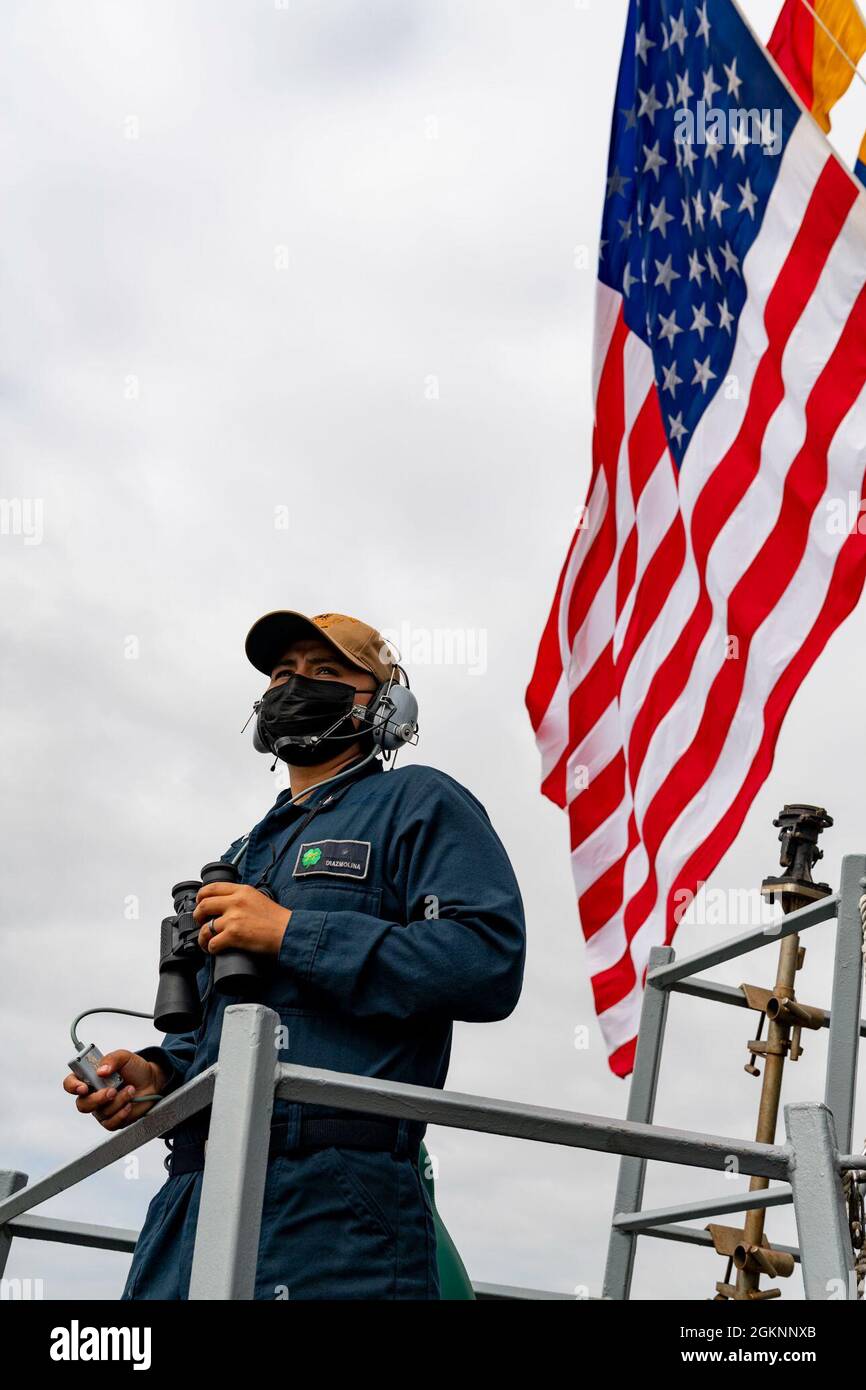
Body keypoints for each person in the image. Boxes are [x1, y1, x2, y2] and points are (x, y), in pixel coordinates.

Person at [63, 609, 526, 1300]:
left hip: (337, 1209)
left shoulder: (419, 802)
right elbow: (215, 1039)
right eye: (283, 673)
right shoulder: (244, 854)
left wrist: (286, 934)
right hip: (191, 1197)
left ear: (389, 705)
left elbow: (484, 961)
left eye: (328, 671)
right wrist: (155, 1075)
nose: (297, 684)